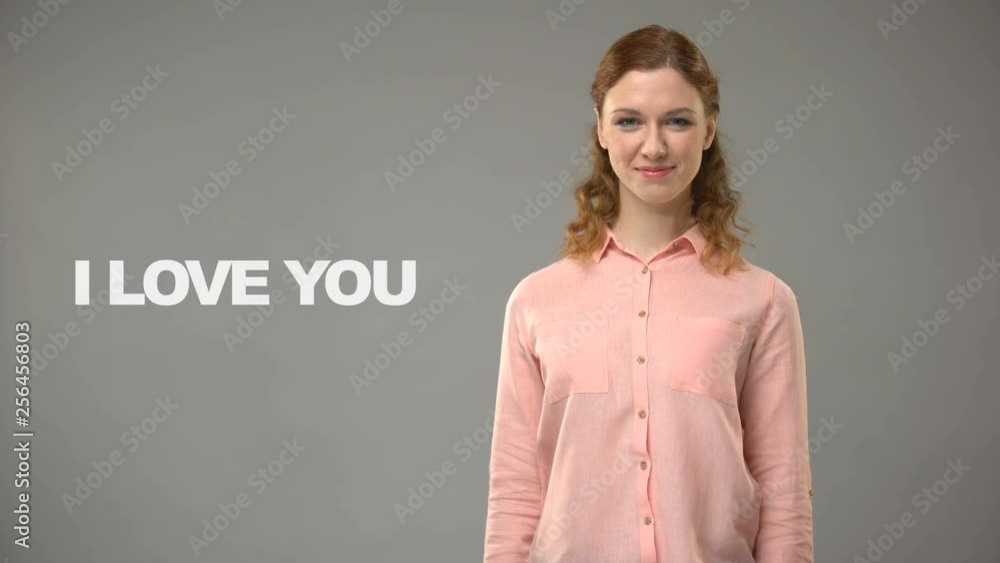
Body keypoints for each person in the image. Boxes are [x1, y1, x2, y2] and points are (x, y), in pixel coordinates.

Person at [483, 24, 814, 562]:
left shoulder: (764, 300)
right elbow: (517, 491)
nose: (654, 145)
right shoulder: (536, 302)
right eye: (630, 120)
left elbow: (783, 490)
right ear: (601, 131)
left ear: (709, 130)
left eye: (678, 121)